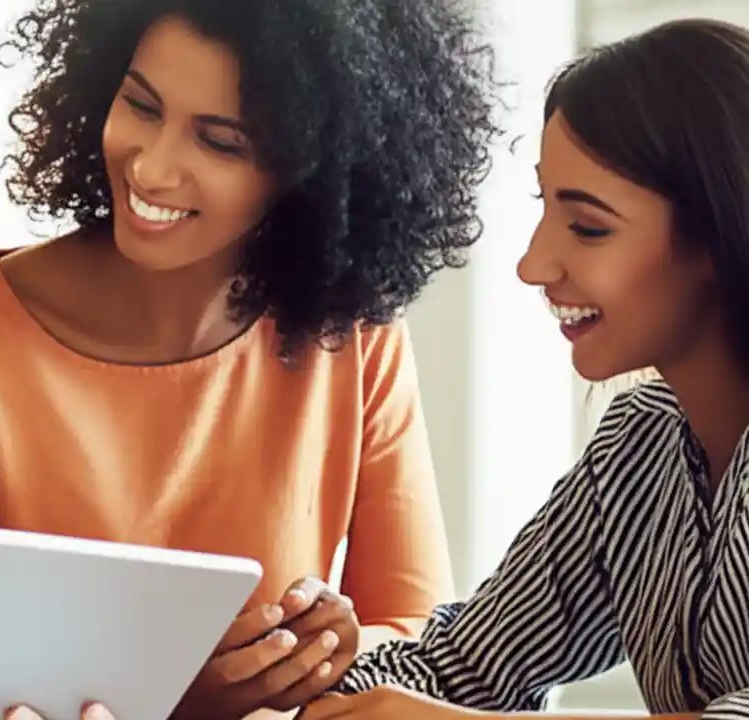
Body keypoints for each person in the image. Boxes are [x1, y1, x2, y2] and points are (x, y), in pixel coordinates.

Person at [0, 0, 500, 717]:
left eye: (221, 142)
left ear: (313, 168)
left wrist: (330, 650)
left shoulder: (353, 332)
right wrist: (172, 697)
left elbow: (416, 644)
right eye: (140, 106)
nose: (150, 167)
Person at [299, 17, 749, 720]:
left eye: (589, 227)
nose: (533, 265)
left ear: (721, 235)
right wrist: (298, 672)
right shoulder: (639, 447)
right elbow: (465, 670)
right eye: (547, 209)